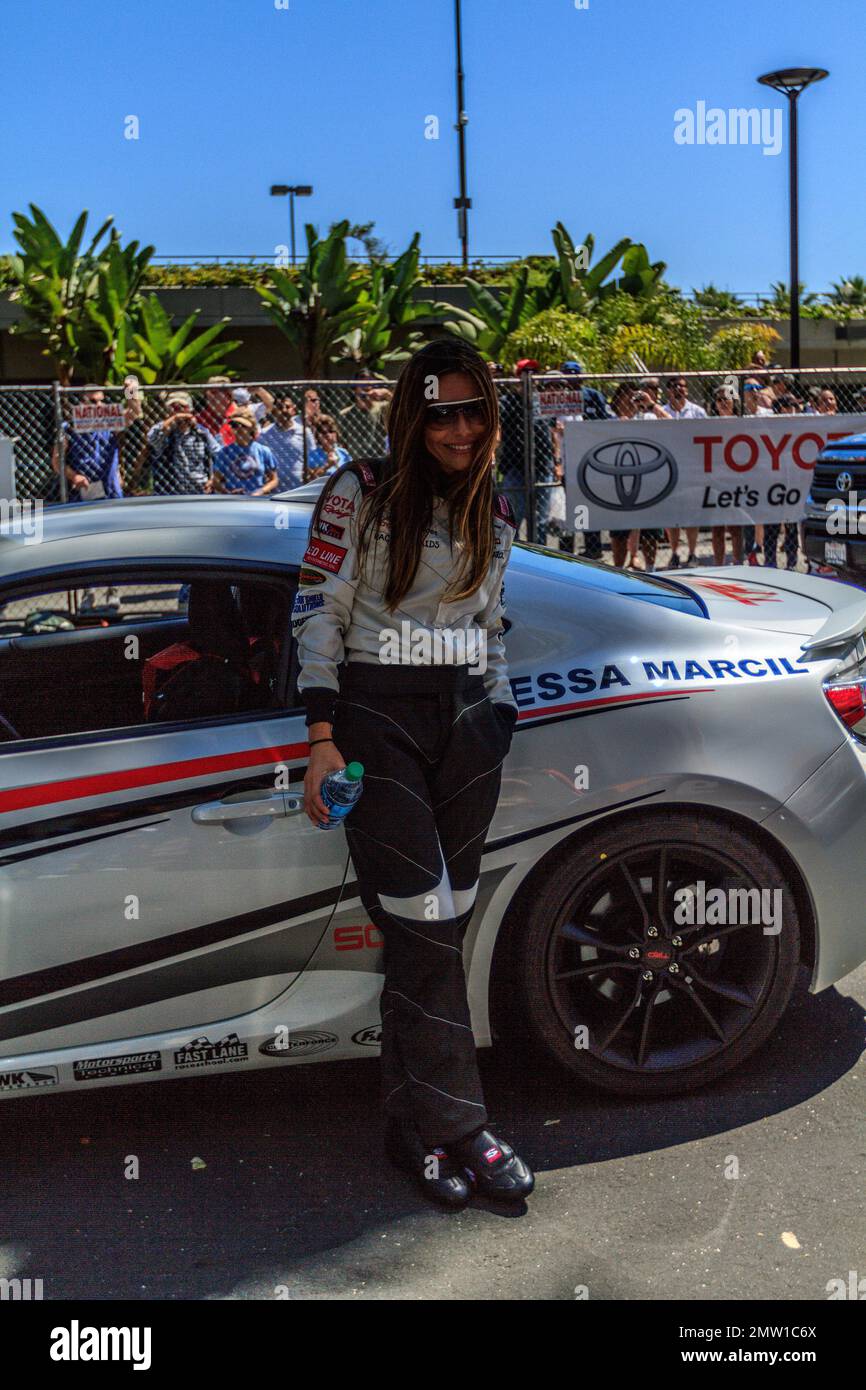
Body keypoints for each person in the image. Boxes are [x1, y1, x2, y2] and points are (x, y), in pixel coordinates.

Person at [293, 337, 533, 1210]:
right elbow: (320, 606)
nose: (461, 429)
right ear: (412, 414)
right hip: (374, 719)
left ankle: (409, 1126)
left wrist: (496, 714)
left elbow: (493, 622)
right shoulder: (359, 490)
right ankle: (460, 1128)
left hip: (468, 720)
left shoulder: (498, 505)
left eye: (475, 411)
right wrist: (322, 734)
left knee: (442, 923)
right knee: (424, 918)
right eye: (442, 413)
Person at [52, 385, 127, 501]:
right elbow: (56, 461)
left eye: (102, 401)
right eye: (93, 401)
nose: (98, 406)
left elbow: (134, 413)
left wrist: (132, 392)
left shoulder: (110, 423)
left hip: (111, 488)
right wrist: (74, 476)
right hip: (85, 489)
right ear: (81, 403)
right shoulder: (69, 428)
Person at [146, 391, 220, 495]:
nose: (177, 411)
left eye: (182, 407)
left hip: (200, 491)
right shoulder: (165, 433)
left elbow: (219, 454)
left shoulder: (201, 433)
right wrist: (174, 419)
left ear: (190, 409)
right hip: (170, 493)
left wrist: (213, 478)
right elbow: (151, 438)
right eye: (174, 407)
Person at [709, 385, 744, 565]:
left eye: (727, 399)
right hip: (715, 479)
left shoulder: (742, 422)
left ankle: (738, 562)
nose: (723, 403)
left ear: (734, 402)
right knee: (717, 528)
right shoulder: (709, 424)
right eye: (719, 400)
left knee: (735, 527)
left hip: (736, 480)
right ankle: (718, 564)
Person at [212, 409, 279, 495]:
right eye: (234, 425)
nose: (238, 428)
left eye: (243, 425)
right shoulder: (224, 453)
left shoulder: (263, 451)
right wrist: (229, 493)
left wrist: (260, 491)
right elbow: (216, 481)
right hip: (233, 501)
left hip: (258, 500)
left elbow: (274, 480)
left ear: (251, 428)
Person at [259, 393, 316, 489]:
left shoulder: (305, 432)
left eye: (288, 407)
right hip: (274, 490)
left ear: (293, 409)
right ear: (274, 411)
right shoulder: (265, 434)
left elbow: (313, 459)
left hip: (299, 489)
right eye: (280, 407)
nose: (284, 410)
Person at [338, 370, 391, 457]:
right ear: (355, 387)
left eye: (369, 382)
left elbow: (399, 407)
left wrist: (386, 393)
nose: (367, 386)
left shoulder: (382, 408)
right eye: (362, 383)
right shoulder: (345, 414)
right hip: (356, 460)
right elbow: (343, 442)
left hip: (379, 458)